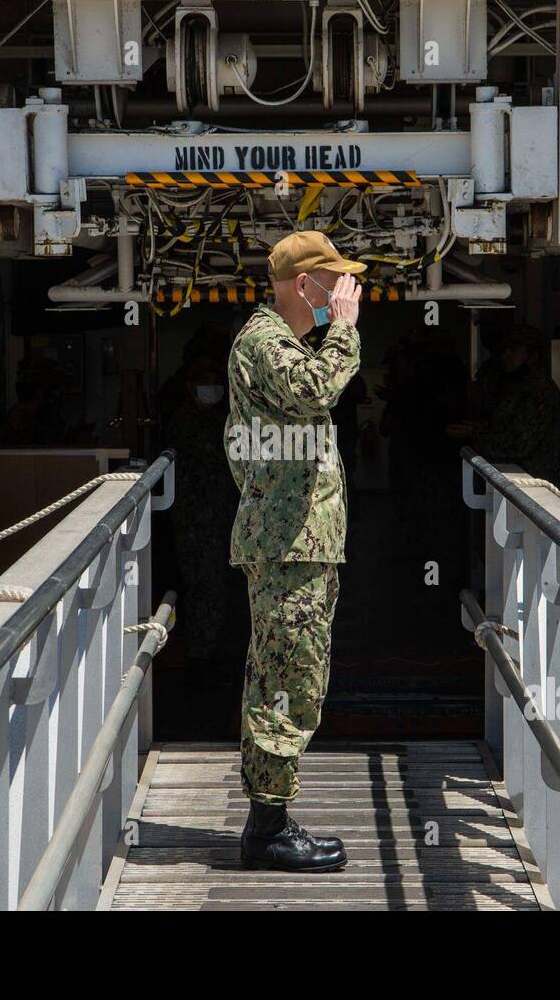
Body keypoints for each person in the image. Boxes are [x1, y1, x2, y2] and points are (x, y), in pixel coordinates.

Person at [223, 230, 364, 872]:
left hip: (301, 542)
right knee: (285, 676)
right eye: (334, 281)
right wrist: (346, 328)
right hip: (287, 544)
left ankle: (272, 817)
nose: (343, 290)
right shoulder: (264, 342)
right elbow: (315, 389)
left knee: (294, 669)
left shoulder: (280, 342)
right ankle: (268, 827)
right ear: (305, 285)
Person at [166, 357, 246, 731]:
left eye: (216, 382)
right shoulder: (188, 420)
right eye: (203, 382)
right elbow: (224, 455)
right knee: (205, 591)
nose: (210, 389)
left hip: (219, 519)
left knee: (217, 590)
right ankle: (200, 666)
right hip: (199, 523)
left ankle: (210, 663)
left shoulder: (217, 417)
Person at [449, 322, 560, 482]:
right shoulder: (517, 386)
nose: (506, 355)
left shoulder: (539, 392)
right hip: (512, 480)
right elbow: (505, 427)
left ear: (533, 355)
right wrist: (479, 428)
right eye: (504, 350)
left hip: (529, 484)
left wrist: (475, 434)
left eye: (513, 350)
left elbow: (518, 444)